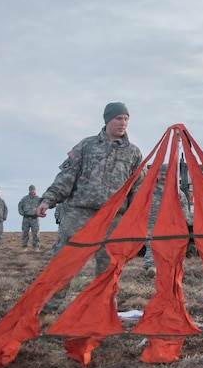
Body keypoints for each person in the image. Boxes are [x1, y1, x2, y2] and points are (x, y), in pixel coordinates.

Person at [36, 102, 143, 276]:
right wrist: (48, 200)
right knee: (61, 267)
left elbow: (138, 188)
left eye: (126, 119)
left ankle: (103, 303)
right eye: (118, 118)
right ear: (108, 120)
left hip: (113, 219)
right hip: (79, 215)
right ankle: (50, 303)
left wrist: (135, 218)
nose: (123, 123)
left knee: (108, 272)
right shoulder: (86, 146)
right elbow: (66, 177)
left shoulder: (133, 153)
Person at [143, 163, 193, 277]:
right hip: (152, 222)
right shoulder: (149, 189)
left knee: (170, 247)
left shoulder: (177, 192)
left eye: (166, 175)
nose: (164, 177)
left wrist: (185, 221)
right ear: (157, 175)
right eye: (161, 174)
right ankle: (151, 267)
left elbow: (184, 207)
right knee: (151, 244)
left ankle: (169, 269)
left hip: (170, 224)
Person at [17, 185, 41, 251]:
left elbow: (41, 207)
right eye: (31, 190)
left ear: (35, 190)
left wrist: (38, 214)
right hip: (26, 219)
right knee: (25, 233)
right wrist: (22, 213)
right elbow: (20, 206)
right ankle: (24, 247)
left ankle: (36, 247)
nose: (32, 191)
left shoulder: (38, 199)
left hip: (35, 219)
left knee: (36, 234)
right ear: (29, 190)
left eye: (33, 190)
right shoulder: (24, 199)